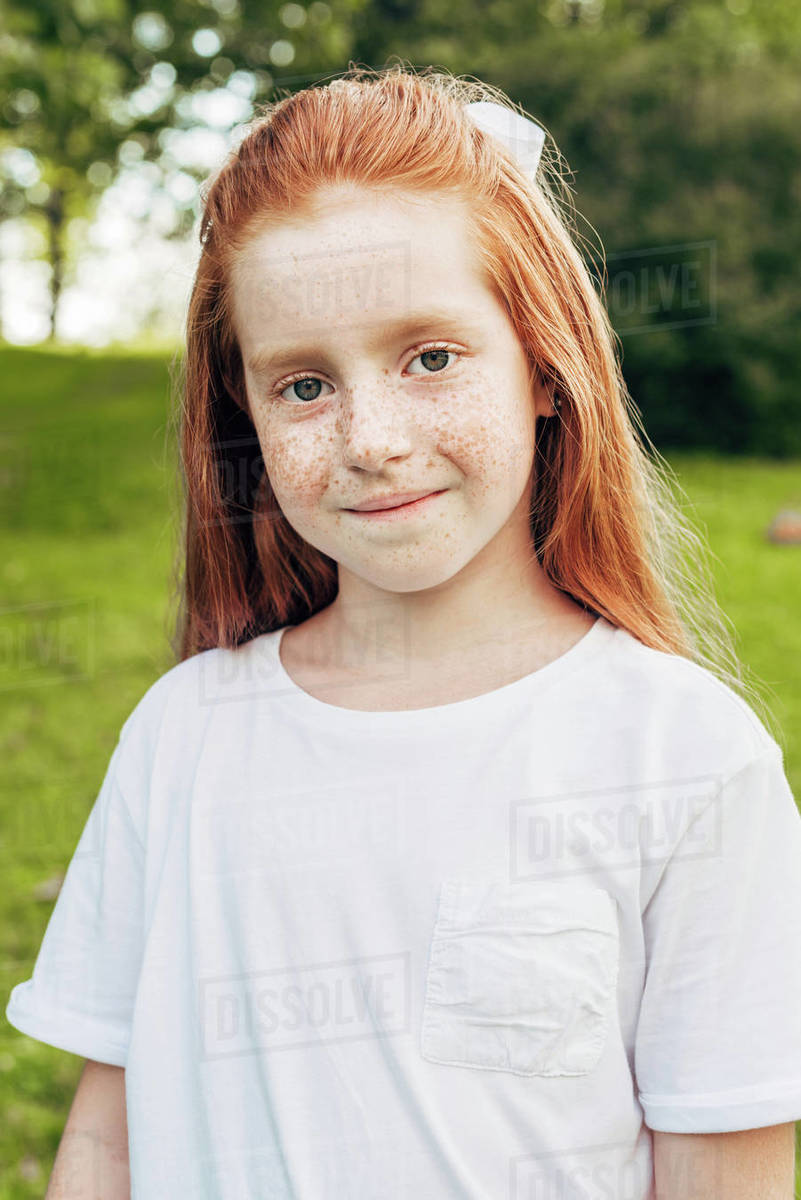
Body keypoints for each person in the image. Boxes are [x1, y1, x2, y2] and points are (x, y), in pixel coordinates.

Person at [7, 62, 801, 1199]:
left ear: (543, 363)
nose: (370, 437)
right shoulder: (182, 737)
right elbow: (106, 1141)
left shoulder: (683, 757)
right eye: (302, 386)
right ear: (244, 414)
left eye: (430, 357)